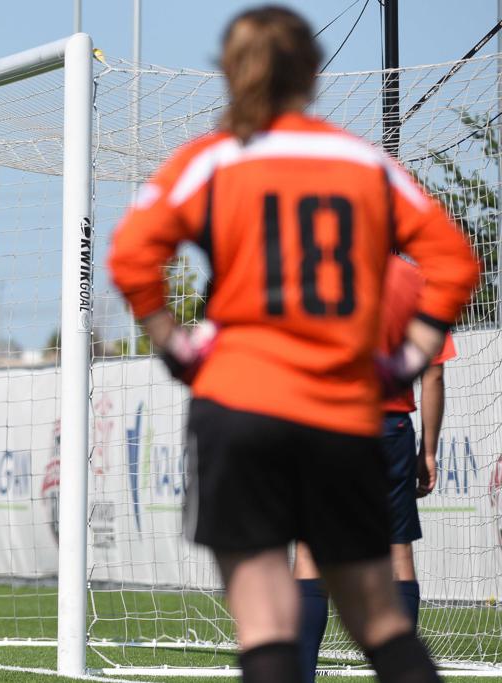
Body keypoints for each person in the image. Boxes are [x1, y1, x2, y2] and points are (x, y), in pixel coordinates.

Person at [107, 6, 478, 682]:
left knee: (265, 624)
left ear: (228, 72)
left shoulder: (211, 159)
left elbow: (131, 256)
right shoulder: (362, 161)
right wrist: (409, 357)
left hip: (238, 400)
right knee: (382, 622)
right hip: (341, 409)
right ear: (314, 71)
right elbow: (455, 263)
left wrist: (176, 347)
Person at [294, 256, 455, 682]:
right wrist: (430, 451)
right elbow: (432, 375)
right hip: (390, 429)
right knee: (397, 551)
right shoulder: (419, 281)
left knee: (310, 552)